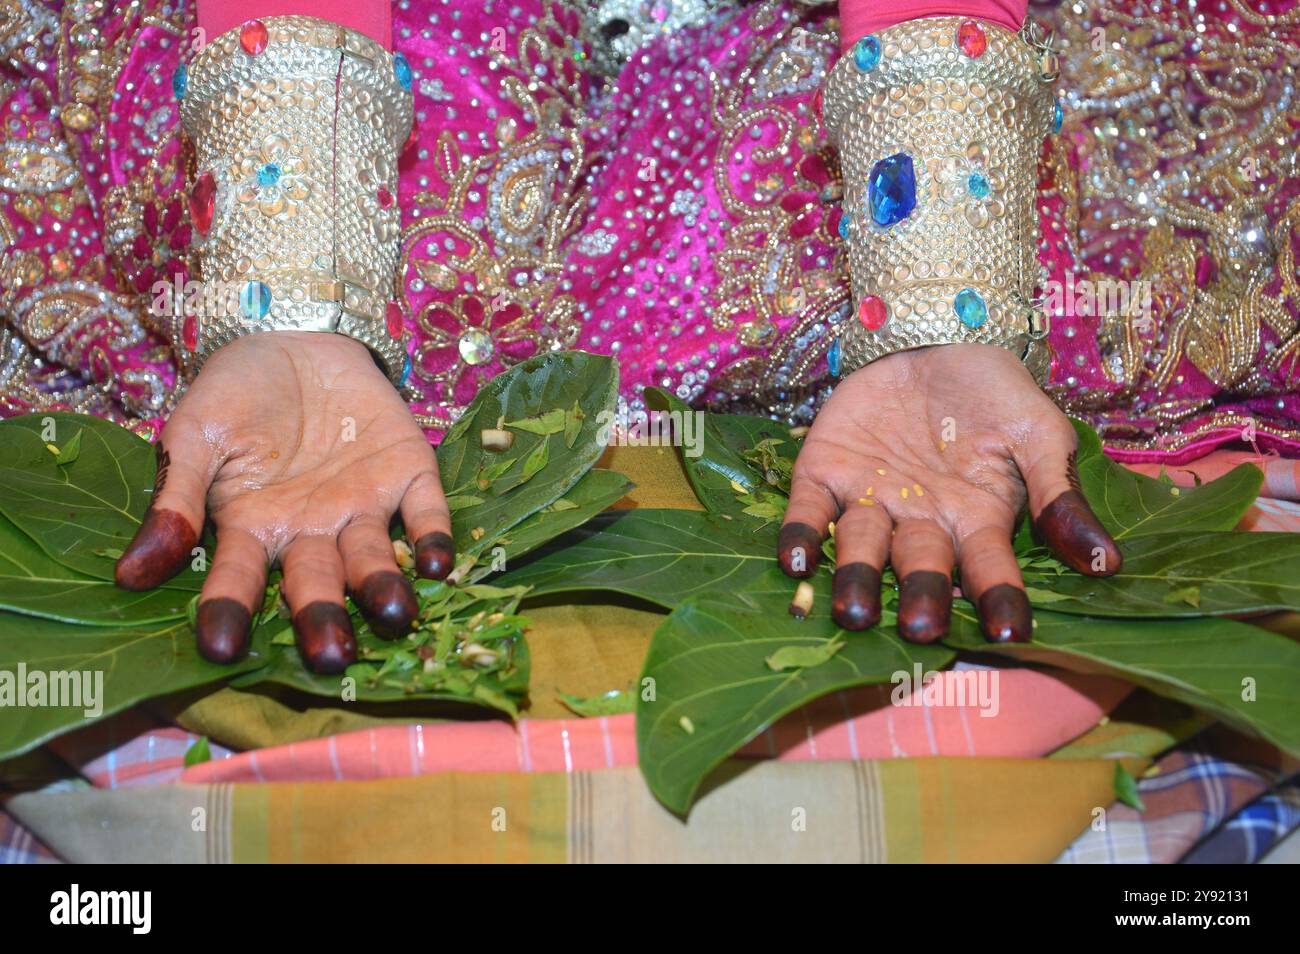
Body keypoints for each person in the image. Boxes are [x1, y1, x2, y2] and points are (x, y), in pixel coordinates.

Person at [2, 1, 1295, 672]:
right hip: (372, 35)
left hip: (790, 47)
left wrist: (937, 290)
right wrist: (290, 295)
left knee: (1194, 141)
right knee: (428, 180)